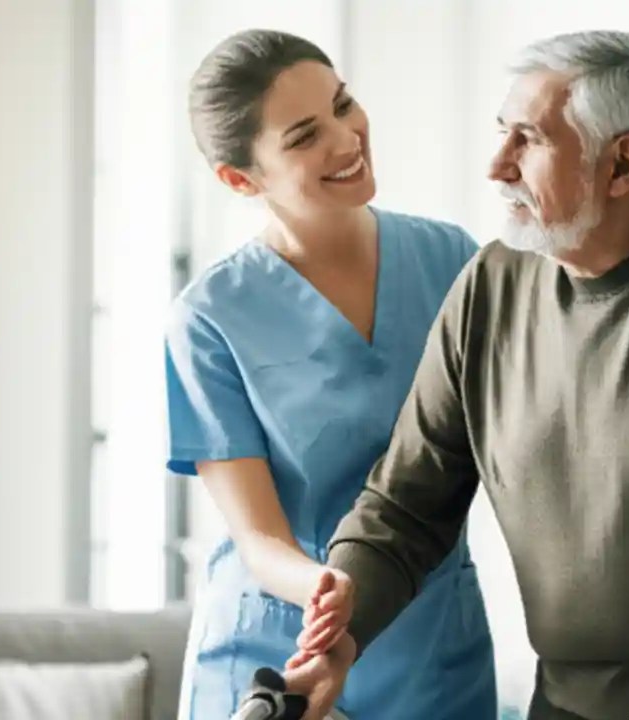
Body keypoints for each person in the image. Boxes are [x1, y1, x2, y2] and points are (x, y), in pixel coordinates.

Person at [287, 29, 629, 720]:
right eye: (500, 133)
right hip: (567, 702)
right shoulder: (489, 284)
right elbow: (404, 507)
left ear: (622, 165)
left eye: (528, 139)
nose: (497, 165)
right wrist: (337, 644)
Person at [164, 28, 497, 720]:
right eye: (305, 136)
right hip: (278, 650)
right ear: (240, 178)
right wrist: (333, 589)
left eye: (344, 105)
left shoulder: (456, 263)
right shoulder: (210, 317)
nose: (347, 140)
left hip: (434, 649)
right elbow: (259, 540)